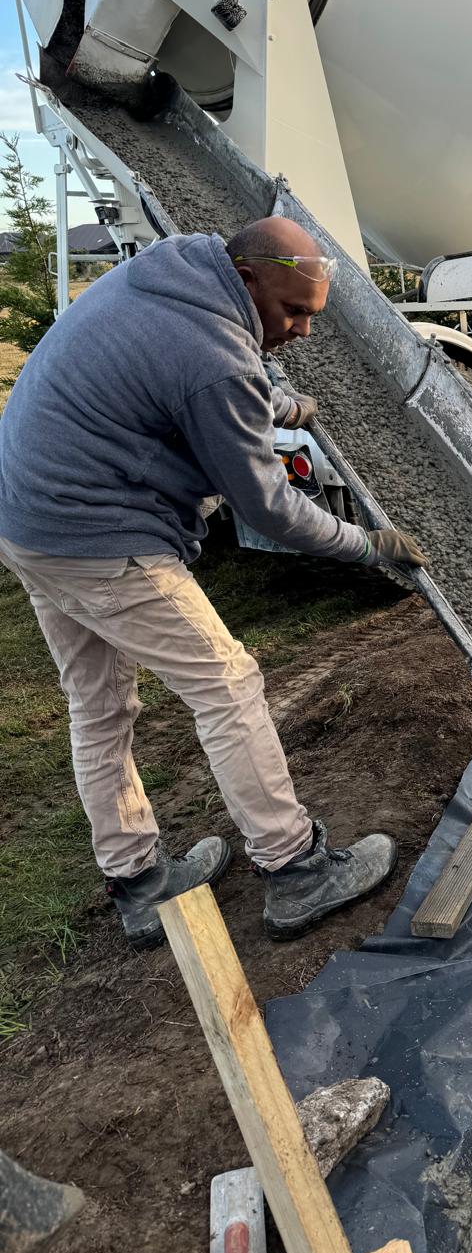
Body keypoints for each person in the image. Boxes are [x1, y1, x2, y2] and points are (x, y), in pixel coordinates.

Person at [0, 216, 428, 948]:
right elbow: (272, 508)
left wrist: (281, 402)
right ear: (251, 277)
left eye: (313, 314)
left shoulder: (182, 272)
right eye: (293, 312)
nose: (303, 330)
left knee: (98, 705)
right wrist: (369, 544)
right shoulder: (216, 357)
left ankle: (138, 883)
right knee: (227, 685)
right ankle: (294, 869)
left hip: (26, 521)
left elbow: (205, 371)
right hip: (98, 537)